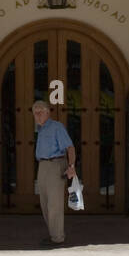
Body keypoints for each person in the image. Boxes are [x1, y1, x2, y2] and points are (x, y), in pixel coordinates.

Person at [32, 100, 75, 247]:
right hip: (43, 166)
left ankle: (57, 237)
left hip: (55, 165)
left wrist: (71, 166)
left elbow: (70, 147)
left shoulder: (57, 127)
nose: (37, 115)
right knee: (44, 203)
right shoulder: (40, 128)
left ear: (48, 112)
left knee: (54, 204)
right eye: (35, 112)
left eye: (40, 112)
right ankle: (53, 234)